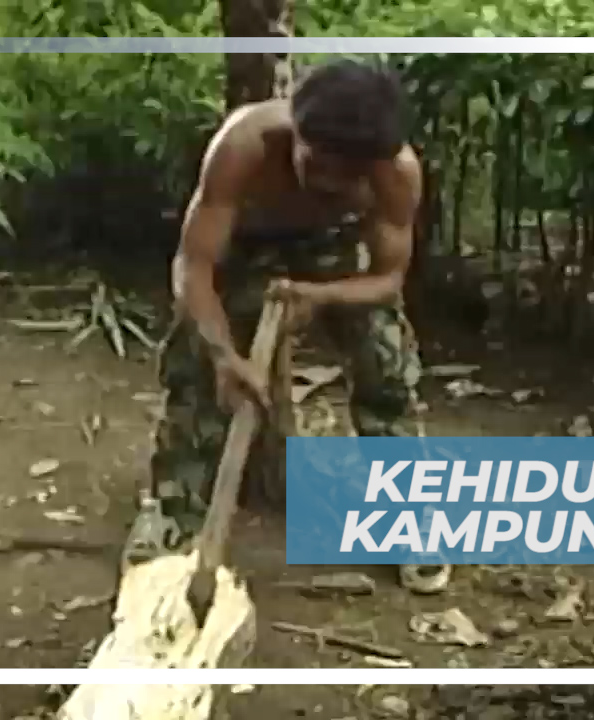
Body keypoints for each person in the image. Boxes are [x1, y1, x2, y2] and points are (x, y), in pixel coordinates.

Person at [126, 58, 451, 594]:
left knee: (386, 362)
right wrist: (224, 353)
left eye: (347, 175)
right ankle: (173, 508)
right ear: (294, 130)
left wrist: (319, 297)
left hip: (334, 259)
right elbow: (194, 266)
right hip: (244, 252)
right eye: (316, 163)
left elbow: (389, 278)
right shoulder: (244, 145)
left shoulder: (397, 173)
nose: (329, 181)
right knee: (194, 358)